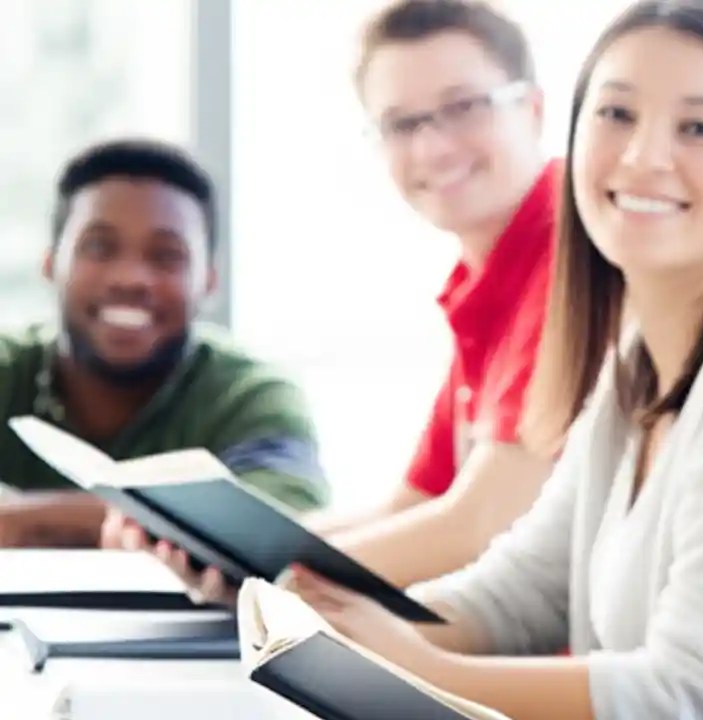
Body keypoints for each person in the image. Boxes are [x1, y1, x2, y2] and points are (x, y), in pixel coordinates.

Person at [284, 1, 703, 718]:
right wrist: (349, 624)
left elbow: (702, 698)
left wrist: (414, 665)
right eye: (615, 115)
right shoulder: (641, 359)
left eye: (698, 127)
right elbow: (528, 590)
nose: (643, 156)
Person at [114, 0, 560, 597]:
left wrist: (264, 574)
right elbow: (413, 505)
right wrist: (225, 548)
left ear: (532, 110)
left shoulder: (568, 255)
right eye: (402, 124)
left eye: (463, 108)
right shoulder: (484, 283)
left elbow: (478, 526)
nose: (433, 148)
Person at [0, 138, 329, 548]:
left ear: (208, 280)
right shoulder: (7, 368)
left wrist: (24, 520)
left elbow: (287, 525)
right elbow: (240, 524)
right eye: (99, 248)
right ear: (50, 263)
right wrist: (186, 521)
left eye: (166, 255)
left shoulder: (250, 394)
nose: (131, 278)